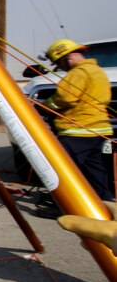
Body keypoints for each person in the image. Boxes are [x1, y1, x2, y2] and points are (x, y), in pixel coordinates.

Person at [41, 39, 115, 212]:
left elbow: (65, 97)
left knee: (64, 171)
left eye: (59, 63)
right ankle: (105, 204)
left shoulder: (78, 73)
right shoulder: (98, 71)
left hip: (77, 131)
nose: (62, 67)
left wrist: (45, 106)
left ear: (67, 58)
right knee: (96, 170)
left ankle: (65, 205)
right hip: (99, 130)